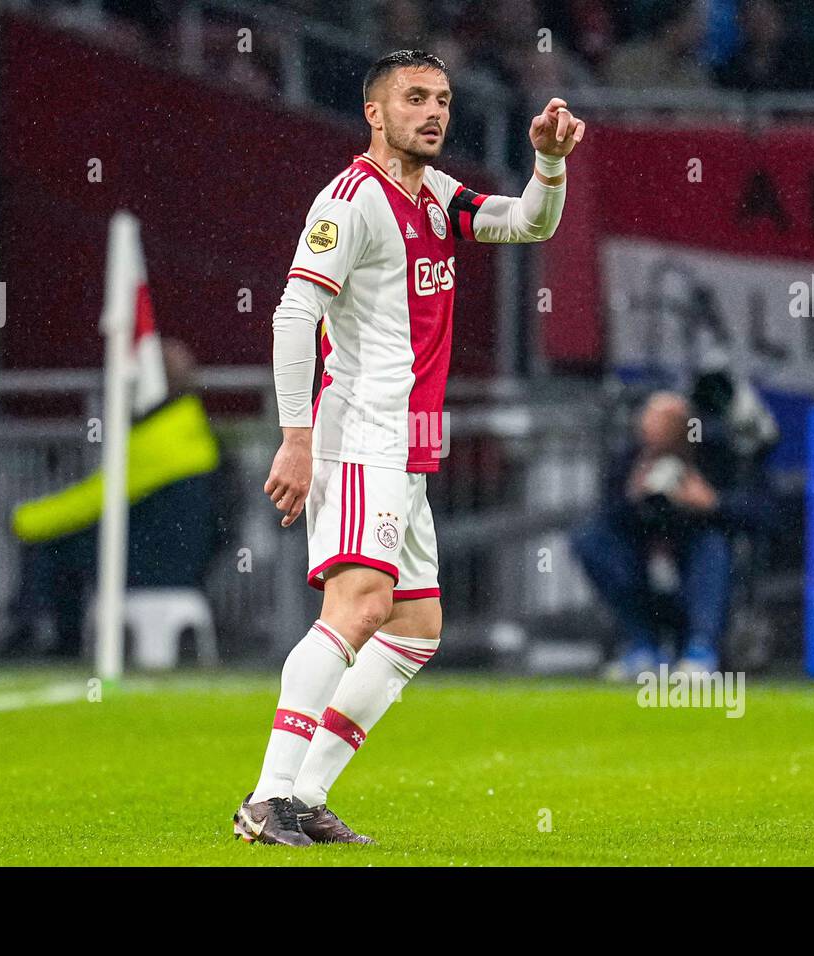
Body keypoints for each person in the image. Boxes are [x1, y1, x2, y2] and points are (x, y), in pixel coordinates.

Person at [234, 49, 583, 846]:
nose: (434, 113)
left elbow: (529, 221)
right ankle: (267, 796)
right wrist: (296, 436)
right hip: (360, 434)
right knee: (357, 608)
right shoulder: (351, 202)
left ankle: (305, 795)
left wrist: (549, 163)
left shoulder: (435, 195)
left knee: (416, 629)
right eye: (415, 98)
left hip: (410, 446)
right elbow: (293, 315)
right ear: (375, 113)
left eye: (444, 100)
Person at [1, 339, 221, 658]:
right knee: (65, 544)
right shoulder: (188, 427)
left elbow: (93, 501)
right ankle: (52, 639)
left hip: (157, 565)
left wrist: (25, 520)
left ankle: (46, 641)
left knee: (52, 545)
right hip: (181, 563)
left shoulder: (162, 438)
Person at [570, 390, 753, 681]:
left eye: (666, 420)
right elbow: (606, 517)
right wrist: (633, 497)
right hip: (642, 557)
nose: (651, 426)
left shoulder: (712, 454)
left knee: (713, 547)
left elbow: (760, 513)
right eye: (650, 419)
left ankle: (701, 650)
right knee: (590, 540)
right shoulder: (630, 459)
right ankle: (643, 647)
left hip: (695, 555)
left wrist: (712, 502)